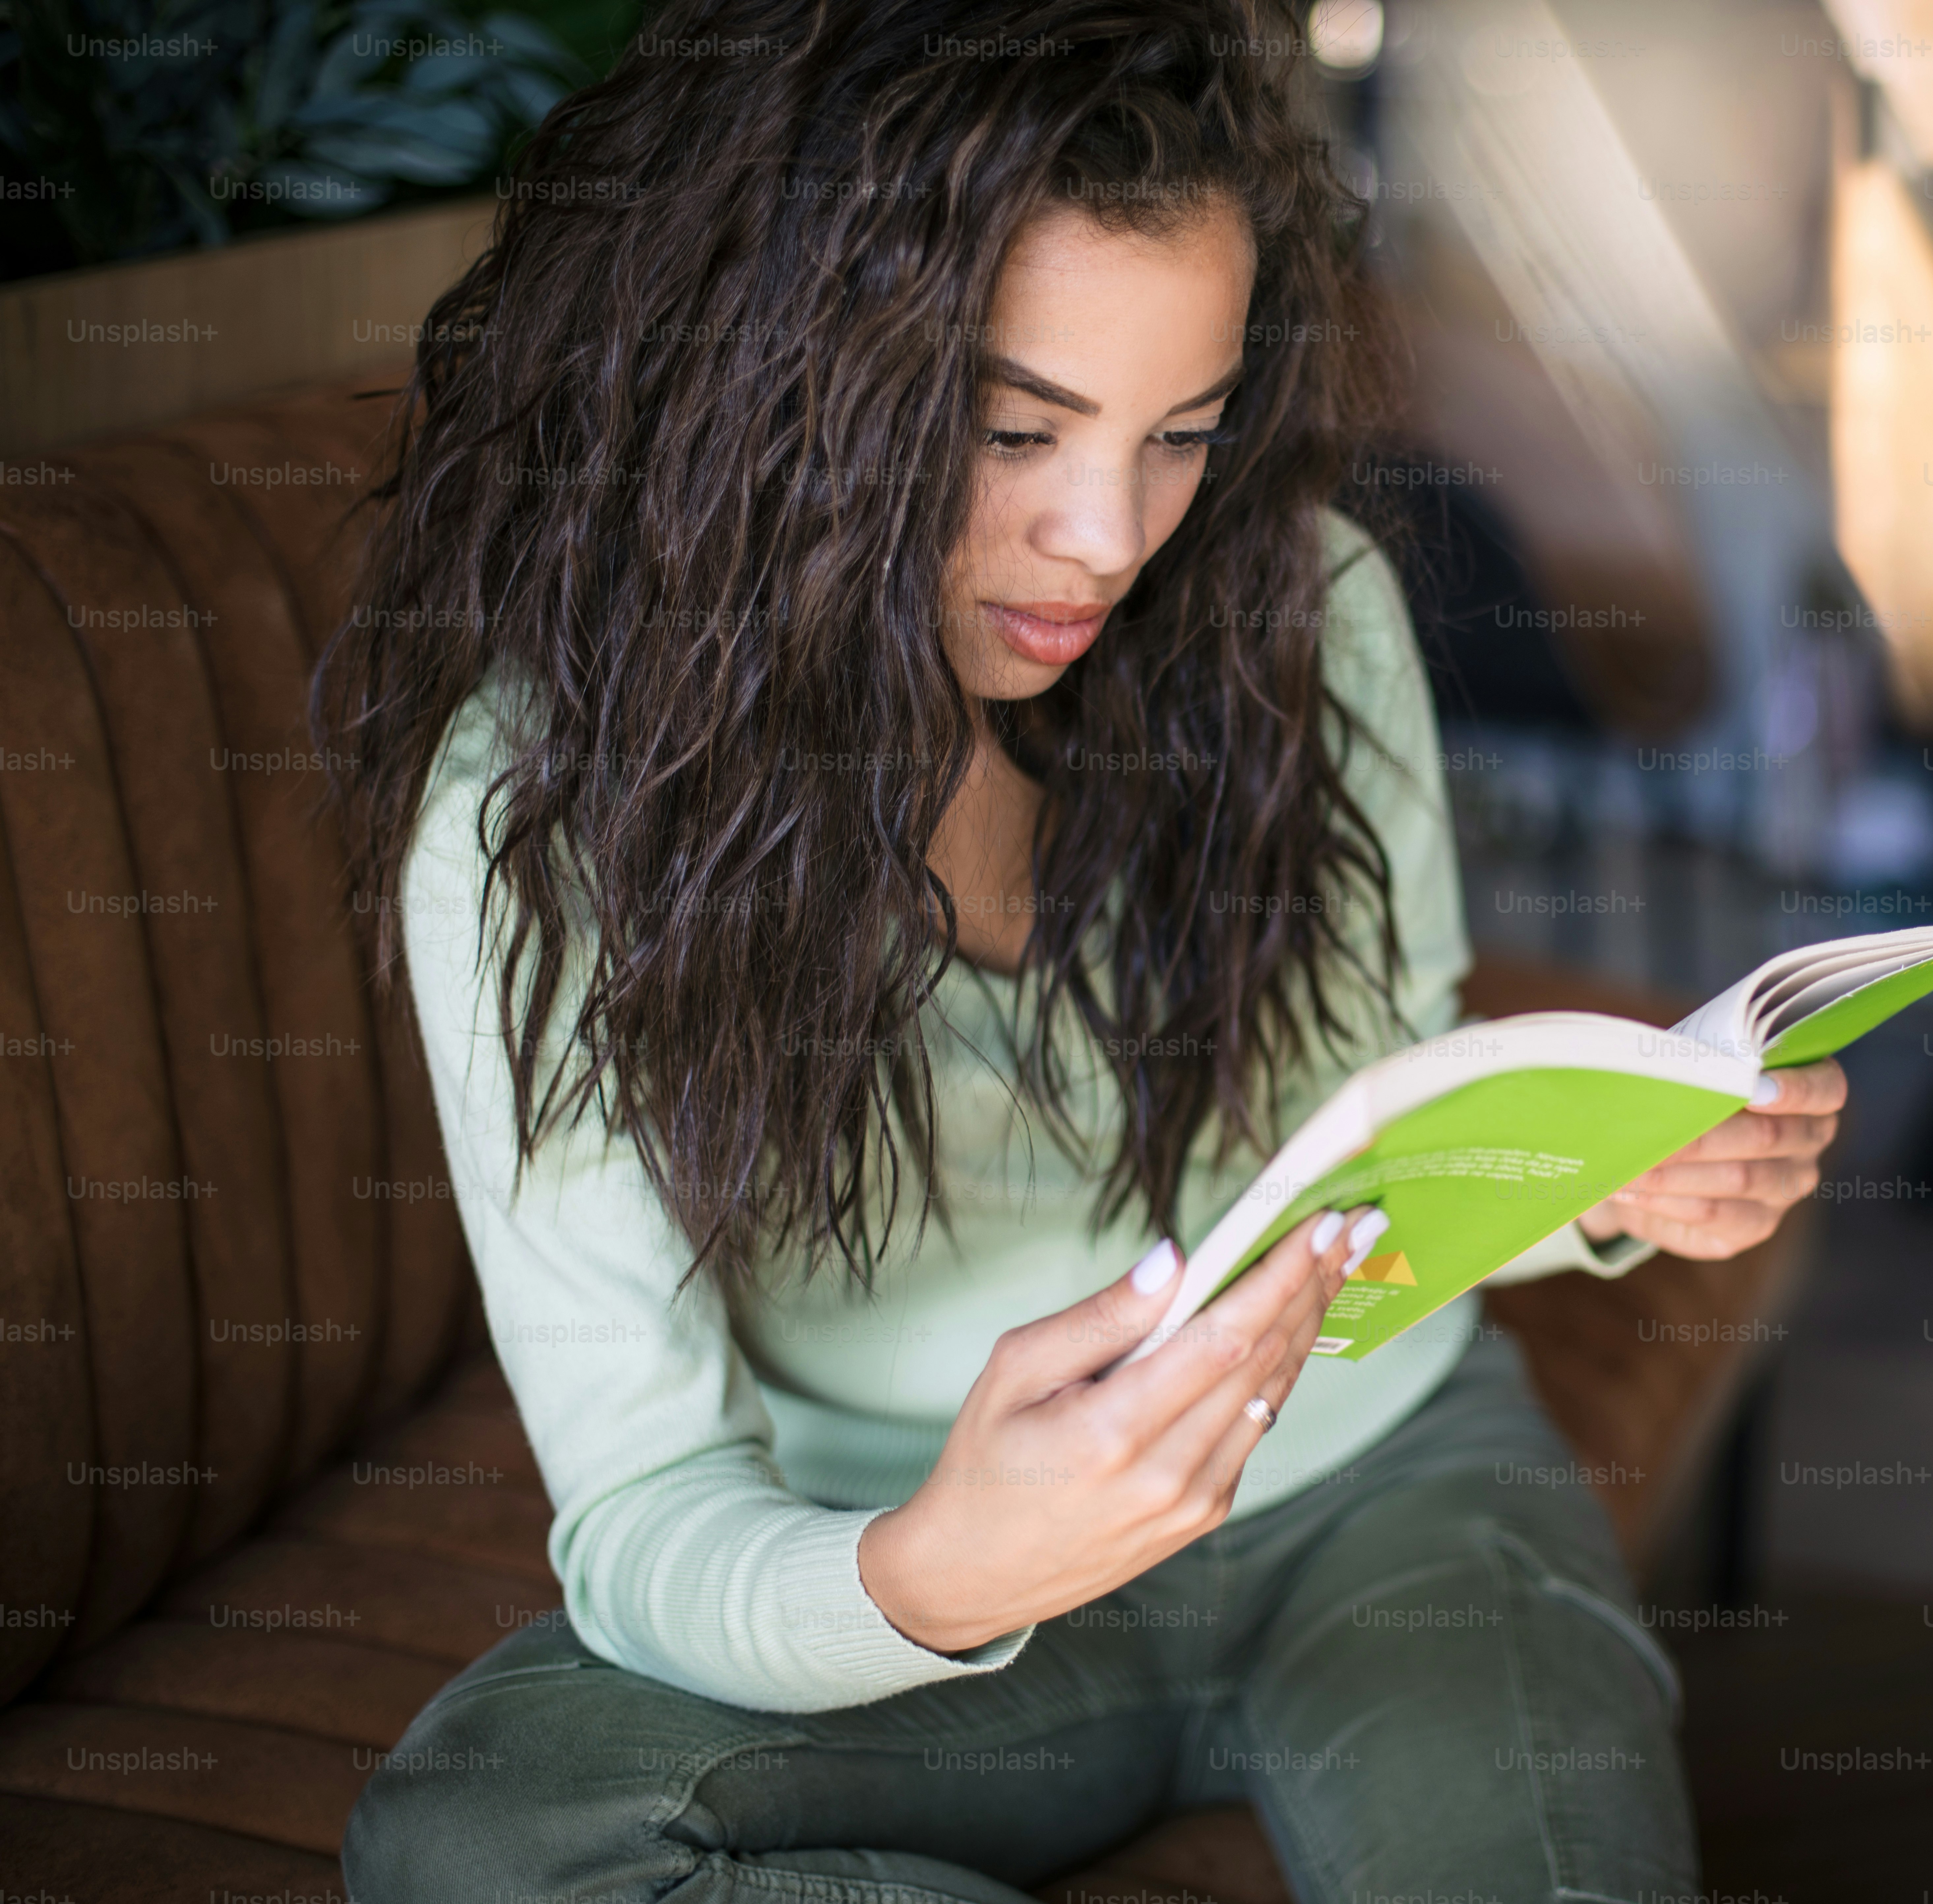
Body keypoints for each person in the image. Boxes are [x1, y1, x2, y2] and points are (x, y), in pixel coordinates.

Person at [314, 5, 1845, 1899]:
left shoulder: (1302, 619)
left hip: (1384, 1497)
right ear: (772, 379)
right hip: (921, 1545)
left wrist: (1617, 1179)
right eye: (1011, 428)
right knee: (474, 1840)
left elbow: (1371, 1155)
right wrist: (939, 1568)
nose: (1105, 537)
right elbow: (643, 1516)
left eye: (1179, 435)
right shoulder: (540, 812)